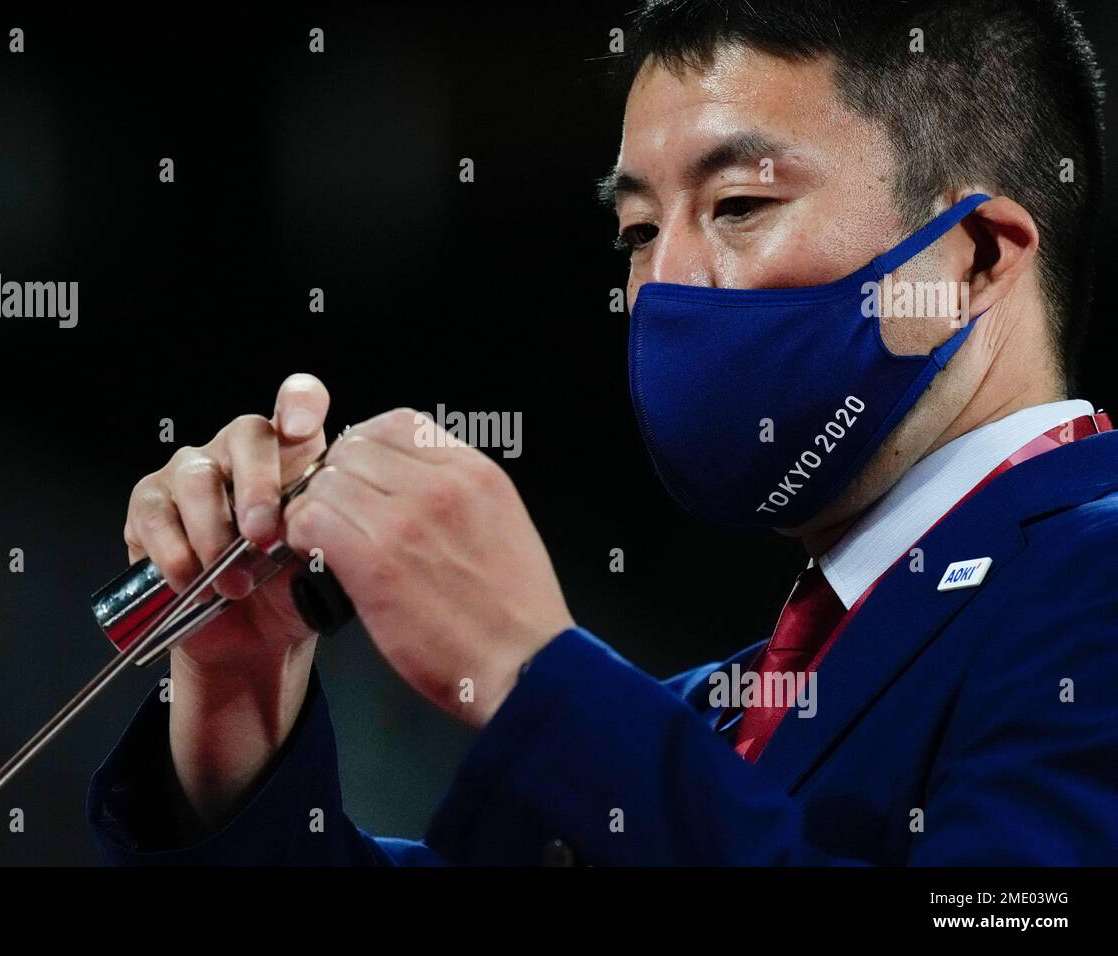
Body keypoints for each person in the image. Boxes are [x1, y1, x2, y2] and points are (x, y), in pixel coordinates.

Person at [86, 0, 1118, 864]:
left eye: (741, 202)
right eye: (635, 232)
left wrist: (531, 667)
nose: (658, 288)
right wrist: (237, 695)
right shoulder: (724, 709)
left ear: (974, 258)